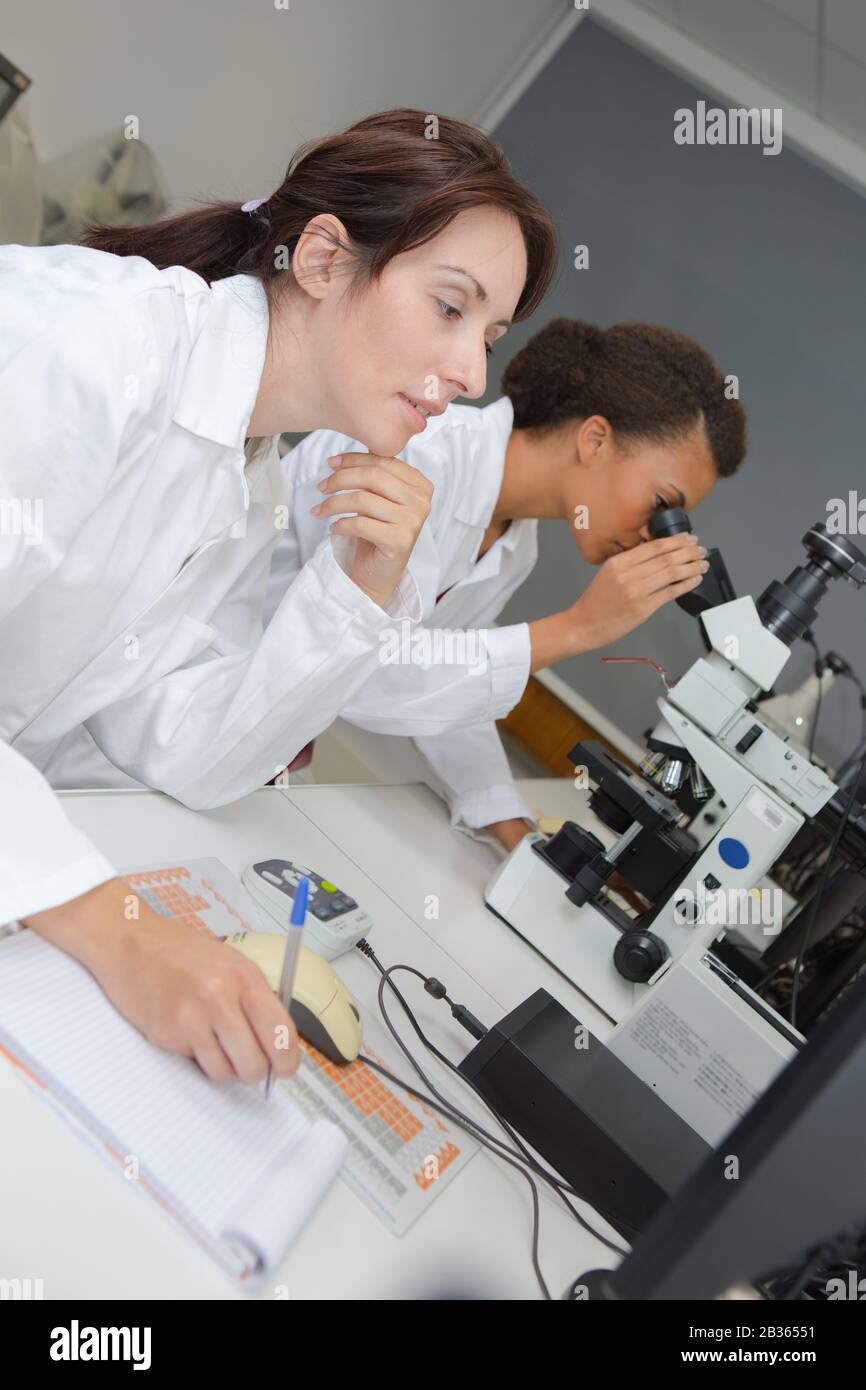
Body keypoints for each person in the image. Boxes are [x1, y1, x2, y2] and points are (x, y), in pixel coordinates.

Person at [0, 107, 558, 1084]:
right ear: (325, 261)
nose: (471, 373)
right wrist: (111, 927)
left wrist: (359, 588)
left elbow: (191, 752)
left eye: (491, 334)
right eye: (449, 307)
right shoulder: (96, 345)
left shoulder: (247, 478)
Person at [261, 317, 745, 849]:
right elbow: (361, 673)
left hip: (261, 750)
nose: (654, 536)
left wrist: (509, 825)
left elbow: (452, 678)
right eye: (661, 505)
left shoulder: (517, 543)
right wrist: (579, 628)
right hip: (189, 707)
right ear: (596, 440)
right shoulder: (421, 456)